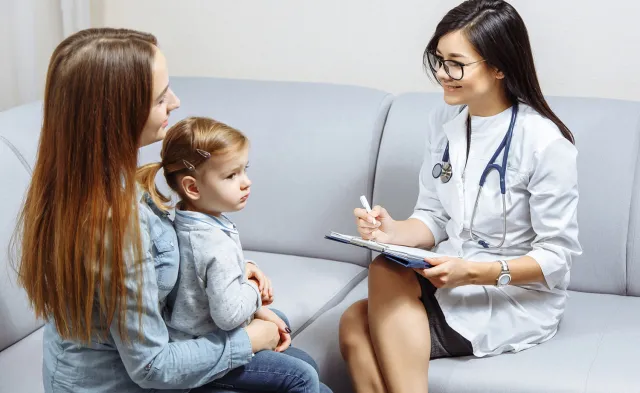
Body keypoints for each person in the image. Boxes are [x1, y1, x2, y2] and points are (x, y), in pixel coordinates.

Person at [13, 28, 282, 393]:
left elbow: (153, 279)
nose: (175, 101)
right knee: (296, 372)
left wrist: (233, 276)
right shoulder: (116, 221)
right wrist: (249, 340)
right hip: (123, 383)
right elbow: (152, 367)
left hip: (85, 376)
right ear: (116, 114)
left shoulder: (86, 184)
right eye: (159, 98)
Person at [338, 1, 582, 392]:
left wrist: (471, 272)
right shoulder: (444, 121)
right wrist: (391, 231)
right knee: (357, 312)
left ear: (499, 66)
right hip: (452, 272)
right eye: (438, 60)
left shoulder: (544, 143)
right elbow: (433, 216)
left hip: (512, 295)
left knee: (372, 293)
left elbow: (557, 258)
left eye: (455, 63)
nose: (441, 74)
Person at [137, 116, 332, 393]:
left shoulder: (186, 221)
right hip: (207, 353)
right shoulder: (214, 243)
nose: (246, 182)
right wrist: (252, 288)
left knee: (299, 353)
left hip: (193, 333)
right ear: (193, 187)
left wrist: (244, 268)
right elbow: (228, 316)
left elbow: (199, 277)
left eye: (244, 170)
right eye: (231, 176)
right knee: (303, 376)